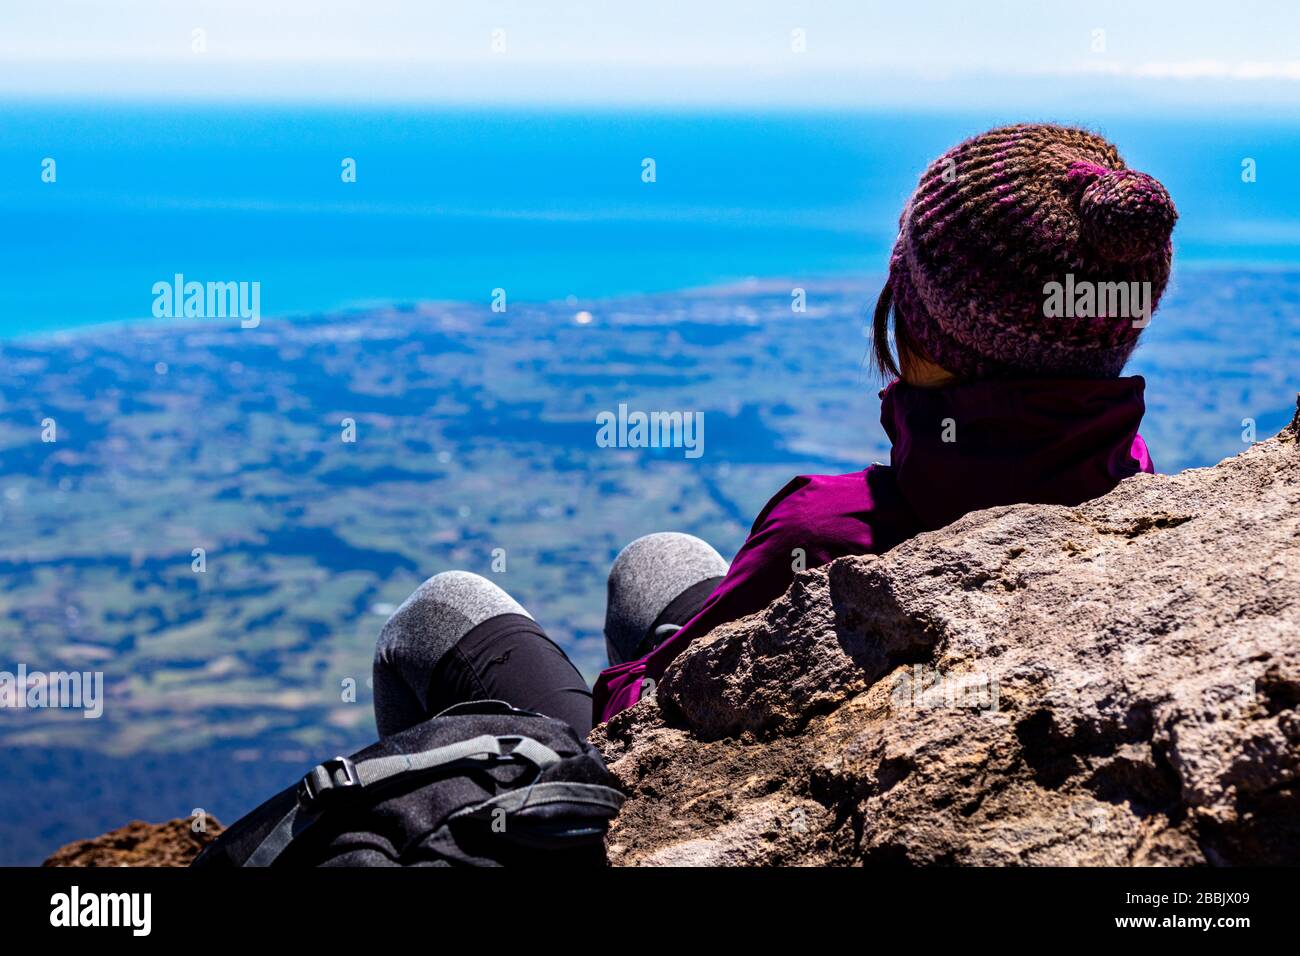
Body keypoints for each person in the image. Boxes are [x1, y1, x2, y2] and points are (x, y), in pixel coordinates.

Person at [373, 123, 1178, 739]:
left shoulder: (832, 536)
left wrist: (620, 684)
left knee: (442, 610)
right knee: (658, 560)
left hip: (636, 781)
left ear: (925, 329)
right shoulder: (1126, 474)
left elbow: (651, 713)